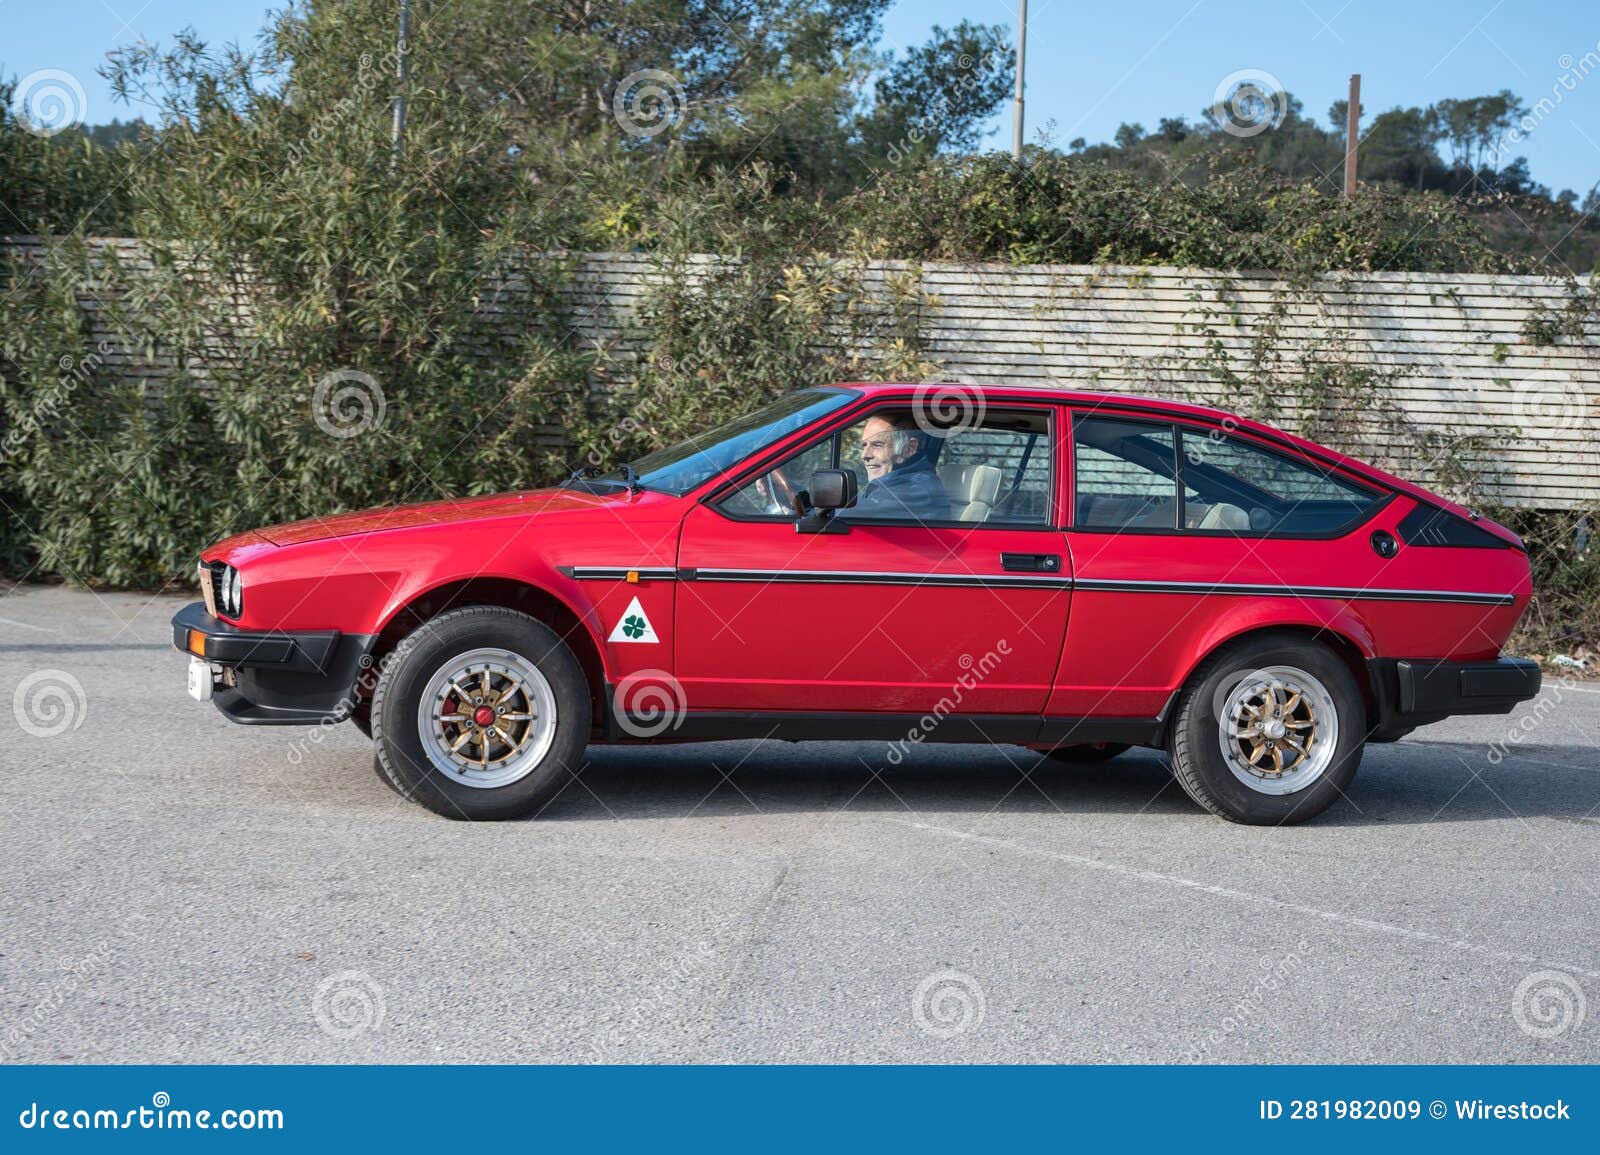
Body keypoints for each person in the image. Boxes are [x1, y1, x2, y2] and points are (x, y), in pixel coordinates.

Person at [838, 412, 950, 522]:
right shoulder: (895, 483)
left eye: (877, 445)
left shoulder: (916, 491)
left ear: (909, 448)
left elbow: (841, 516)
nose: (864, 455)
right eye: (864, 445)